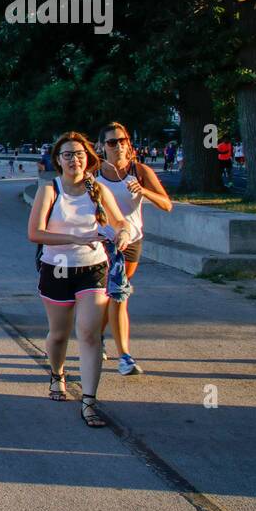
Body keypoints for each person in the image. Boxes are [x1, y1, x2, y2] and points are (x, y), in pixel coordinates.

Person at [28, 133, 134, 428]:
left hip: (93, 268)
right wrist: (76, 237)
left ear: (87, 157)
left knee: (89, 335)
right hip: (57, 267)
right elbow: (34, 233)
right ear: (58, 161)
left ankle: (89, 401)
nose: (74, 159)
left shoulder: (97, 188)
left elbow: (120, 222)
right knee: (59, 334)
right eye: (67, 155)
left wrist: (122, 233)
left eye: (78, 154)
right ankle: (57, 374)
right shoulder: (50, 189)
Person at [95, 122, 173, 376]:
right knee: (114, 295)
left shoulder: (139, 171)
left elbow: (167, 205)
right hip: (100, 242)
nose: (118, 146)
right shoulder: (93, 173)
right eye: (112, 142)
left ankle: (99, 341)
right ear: (101, 146)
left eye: (122, 140)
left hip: (131, 243)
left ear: (129, 143)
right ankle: (123, 356)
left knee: (115, 294)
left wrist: (145, 191)